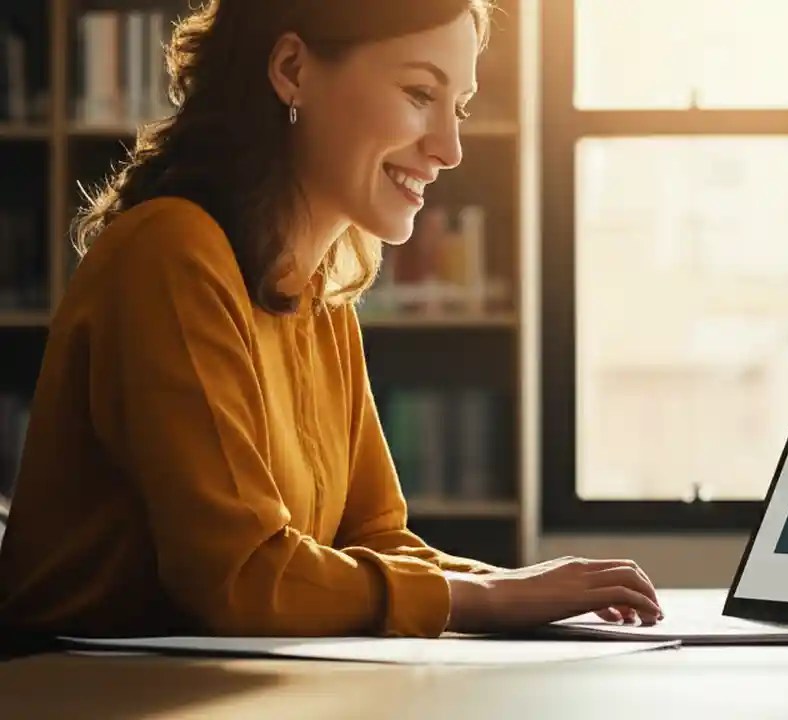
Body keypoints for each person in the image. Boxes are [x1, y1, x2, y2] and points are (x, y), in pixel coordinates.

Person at [0, 0, 661, 639]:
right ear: (293, 70)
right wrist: (489, 597)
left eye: (458, 107)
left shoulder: (316, 289)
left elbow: (372, 540)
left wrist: (528, 591)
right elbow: (243, 577)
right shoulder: (169, 254)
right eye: (418, 94)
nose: (450, 148)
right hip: (74, 690)